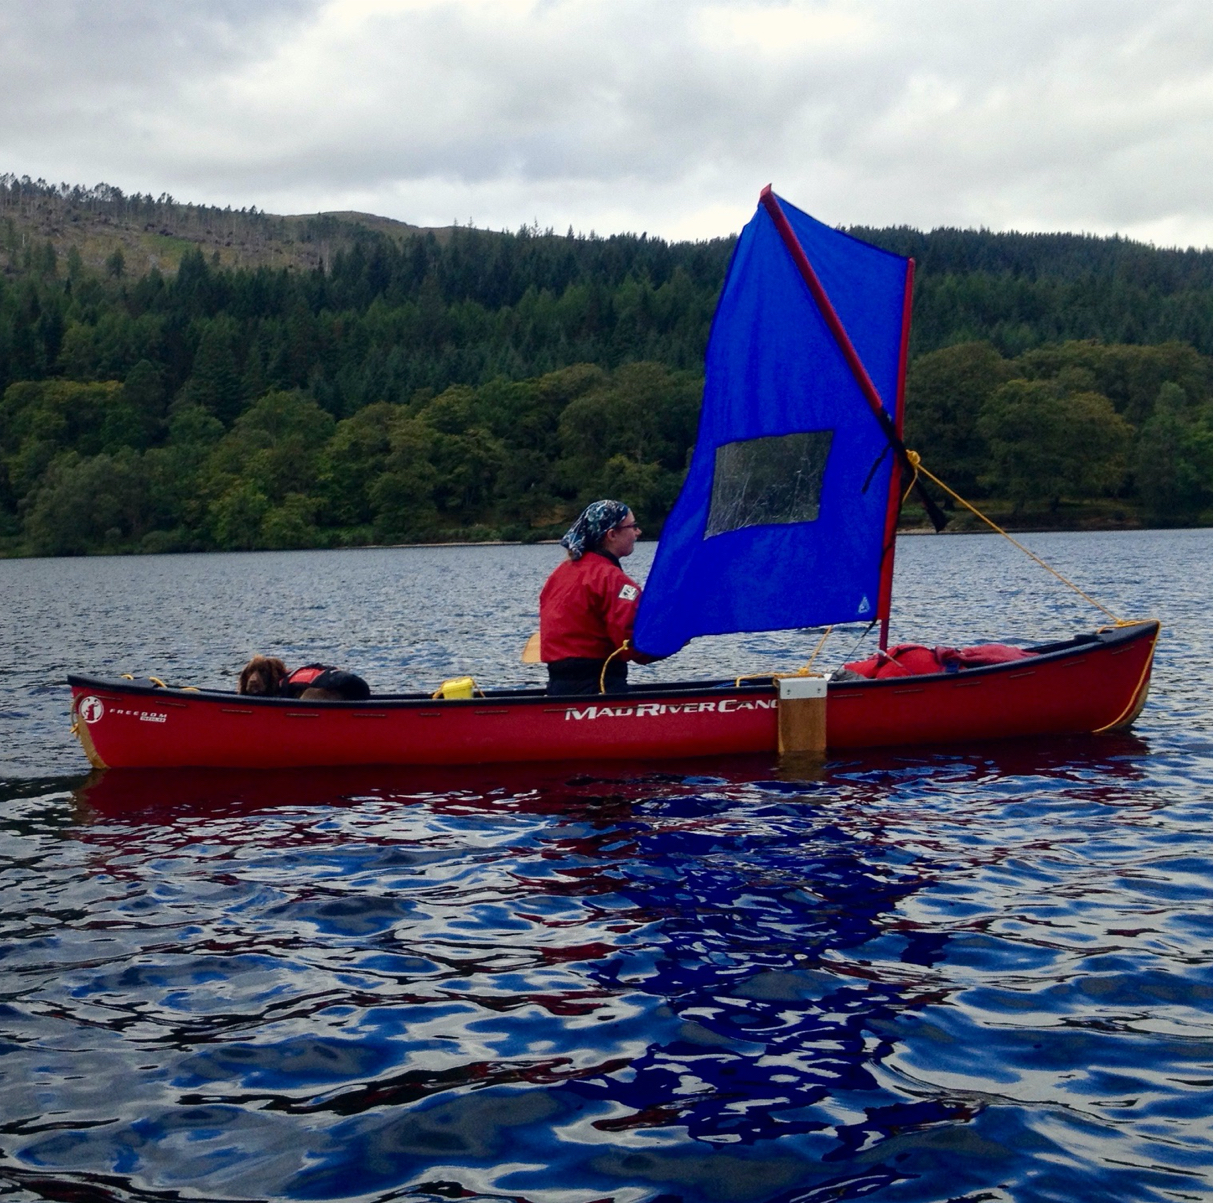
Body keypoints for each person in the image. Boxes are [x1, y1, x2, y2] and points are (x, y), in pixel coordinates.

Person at [539, 499, 656, 695]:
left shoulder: (559, 574)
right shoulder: (612, 580)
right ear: (611, 534)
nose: (638, 532)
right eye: (633, 526)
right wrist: (676, 638)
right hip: (598, 687)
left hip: (558, 689)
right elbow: (635, 646)